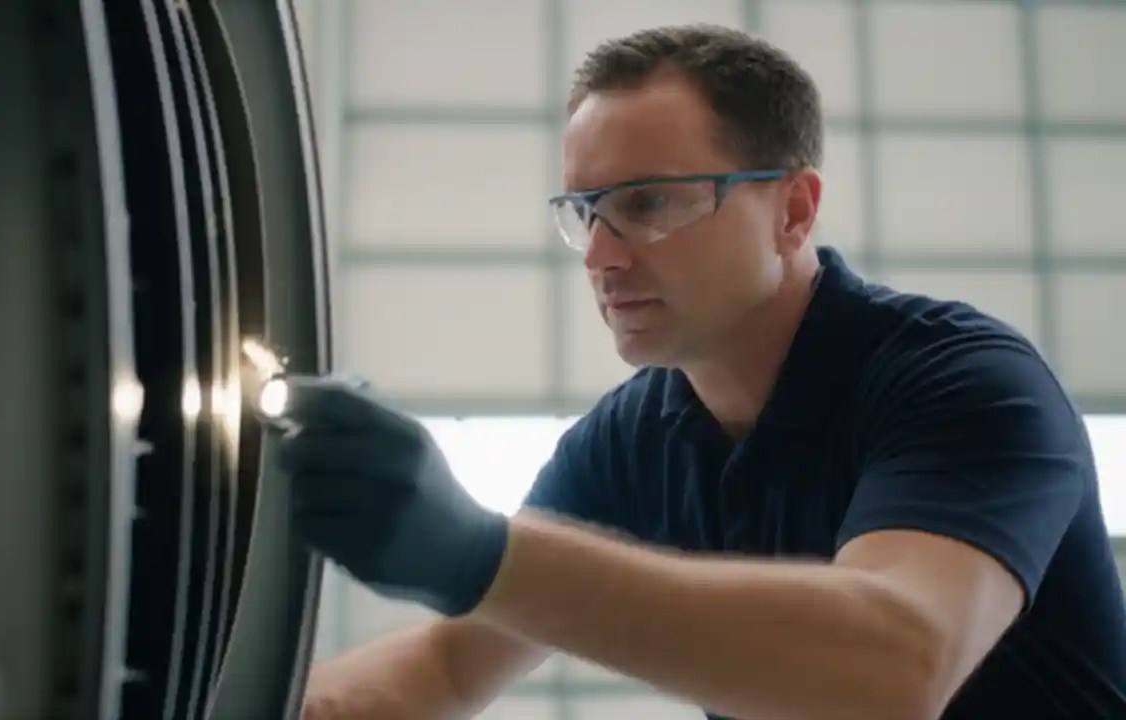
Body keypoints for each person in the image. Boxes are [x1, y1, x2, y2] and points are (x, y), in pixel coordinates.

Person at [270, 23, 1126, 720]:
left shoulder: (964, 382)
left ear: (793, 210)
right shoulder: (630, 441)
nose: (601, 256)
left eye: (647, 204)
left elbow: (894, 671)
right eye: (585, 212)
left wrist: (477, 554)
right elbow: (447, 673)